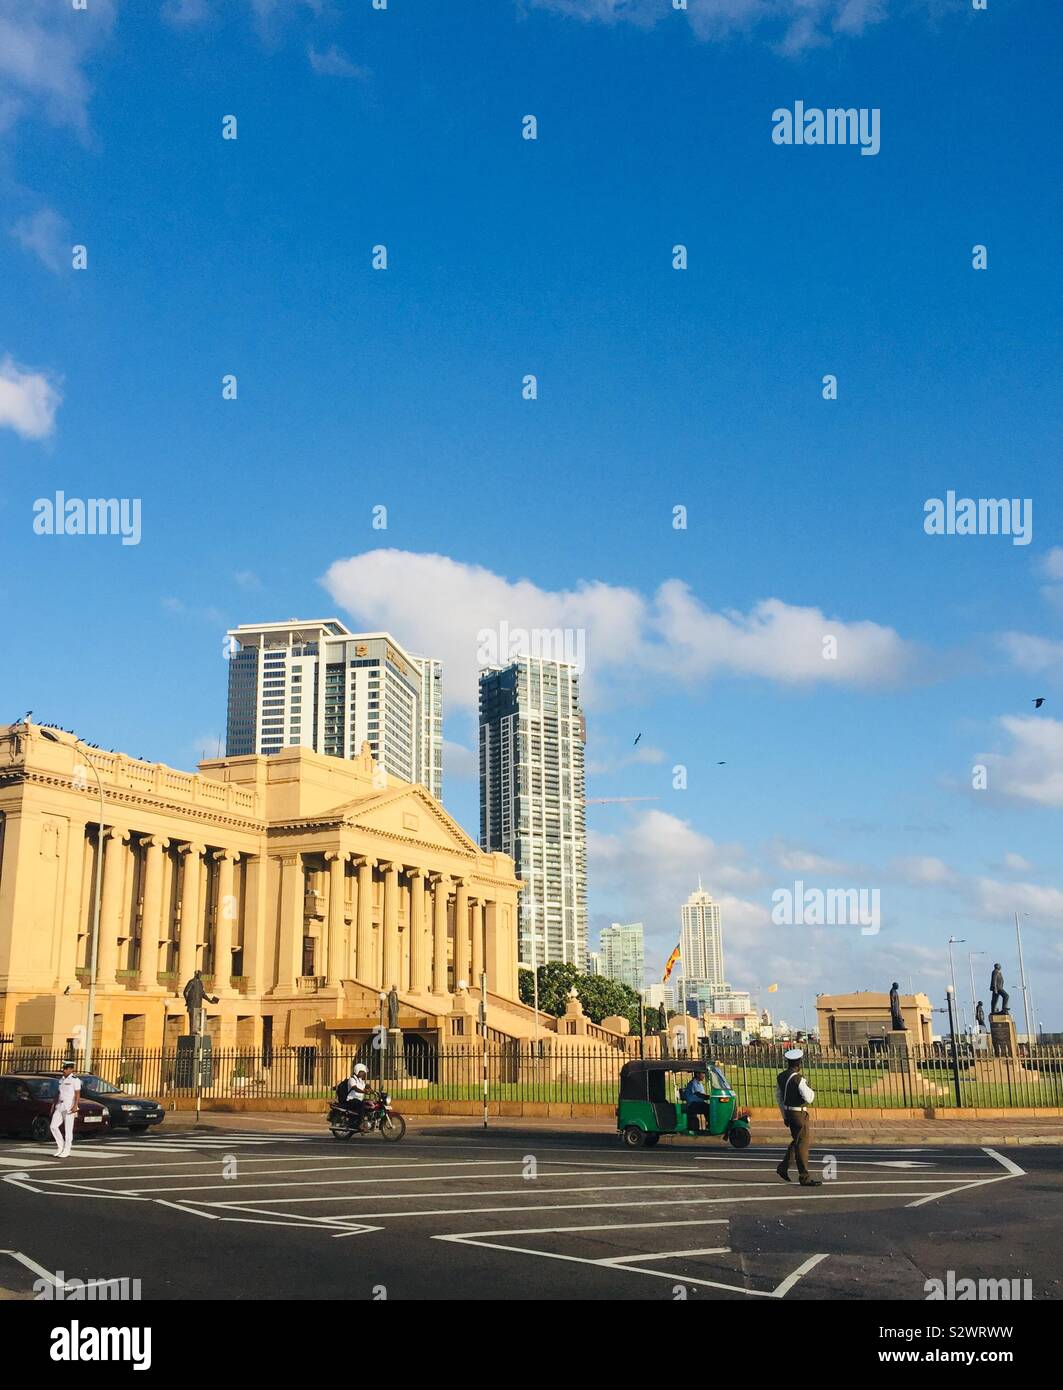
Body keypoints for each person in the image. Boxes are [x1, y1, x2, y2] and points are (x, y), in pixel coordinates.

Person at [775, 1048, 821, 1187]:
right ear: (799, 1062)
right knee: (802, 1144)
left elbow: (779, 1097)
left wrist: (784, 1115)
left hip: (789, 1112)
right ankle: (804, 1177)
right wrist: (810, 1088)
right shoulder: (798, 1079)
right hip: (799, 1114)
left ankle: (783, 1167)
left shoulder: (781, 1077)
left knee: (797, 1141)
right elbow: (809, 1097)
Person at [49, 1061, 81, 1158]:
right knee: (53, 1126)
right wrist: (53, 1105)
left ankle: (67, 1150)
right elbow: (58, 1093)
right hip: (60, 1105)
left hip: (69, 1106)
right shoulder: (61, 1080)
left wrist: (75, 1105)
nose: (64, 1070)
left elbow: (77, 1094)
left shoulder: (75, 1080)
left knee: (68, 1129)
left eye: (66, 1068)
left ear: (71, 1069)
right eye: (64, 1068)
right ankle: (60, 1146)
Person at [340, 1062, 370, 1131]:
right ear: (357, 1071)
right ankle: (360, 1124)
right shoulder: (352, 1079)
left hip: (359, 1099)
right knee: (361, 1105)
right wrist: (364, 1091)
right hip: (351, 1100)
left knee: (369, 1104)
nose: (364, 1074)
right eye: (362, 1072)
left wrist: (373, 1091)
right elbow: (355, 1088)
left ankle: (367, 1120)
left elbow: (366, 1087)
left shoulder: (361, 1081)